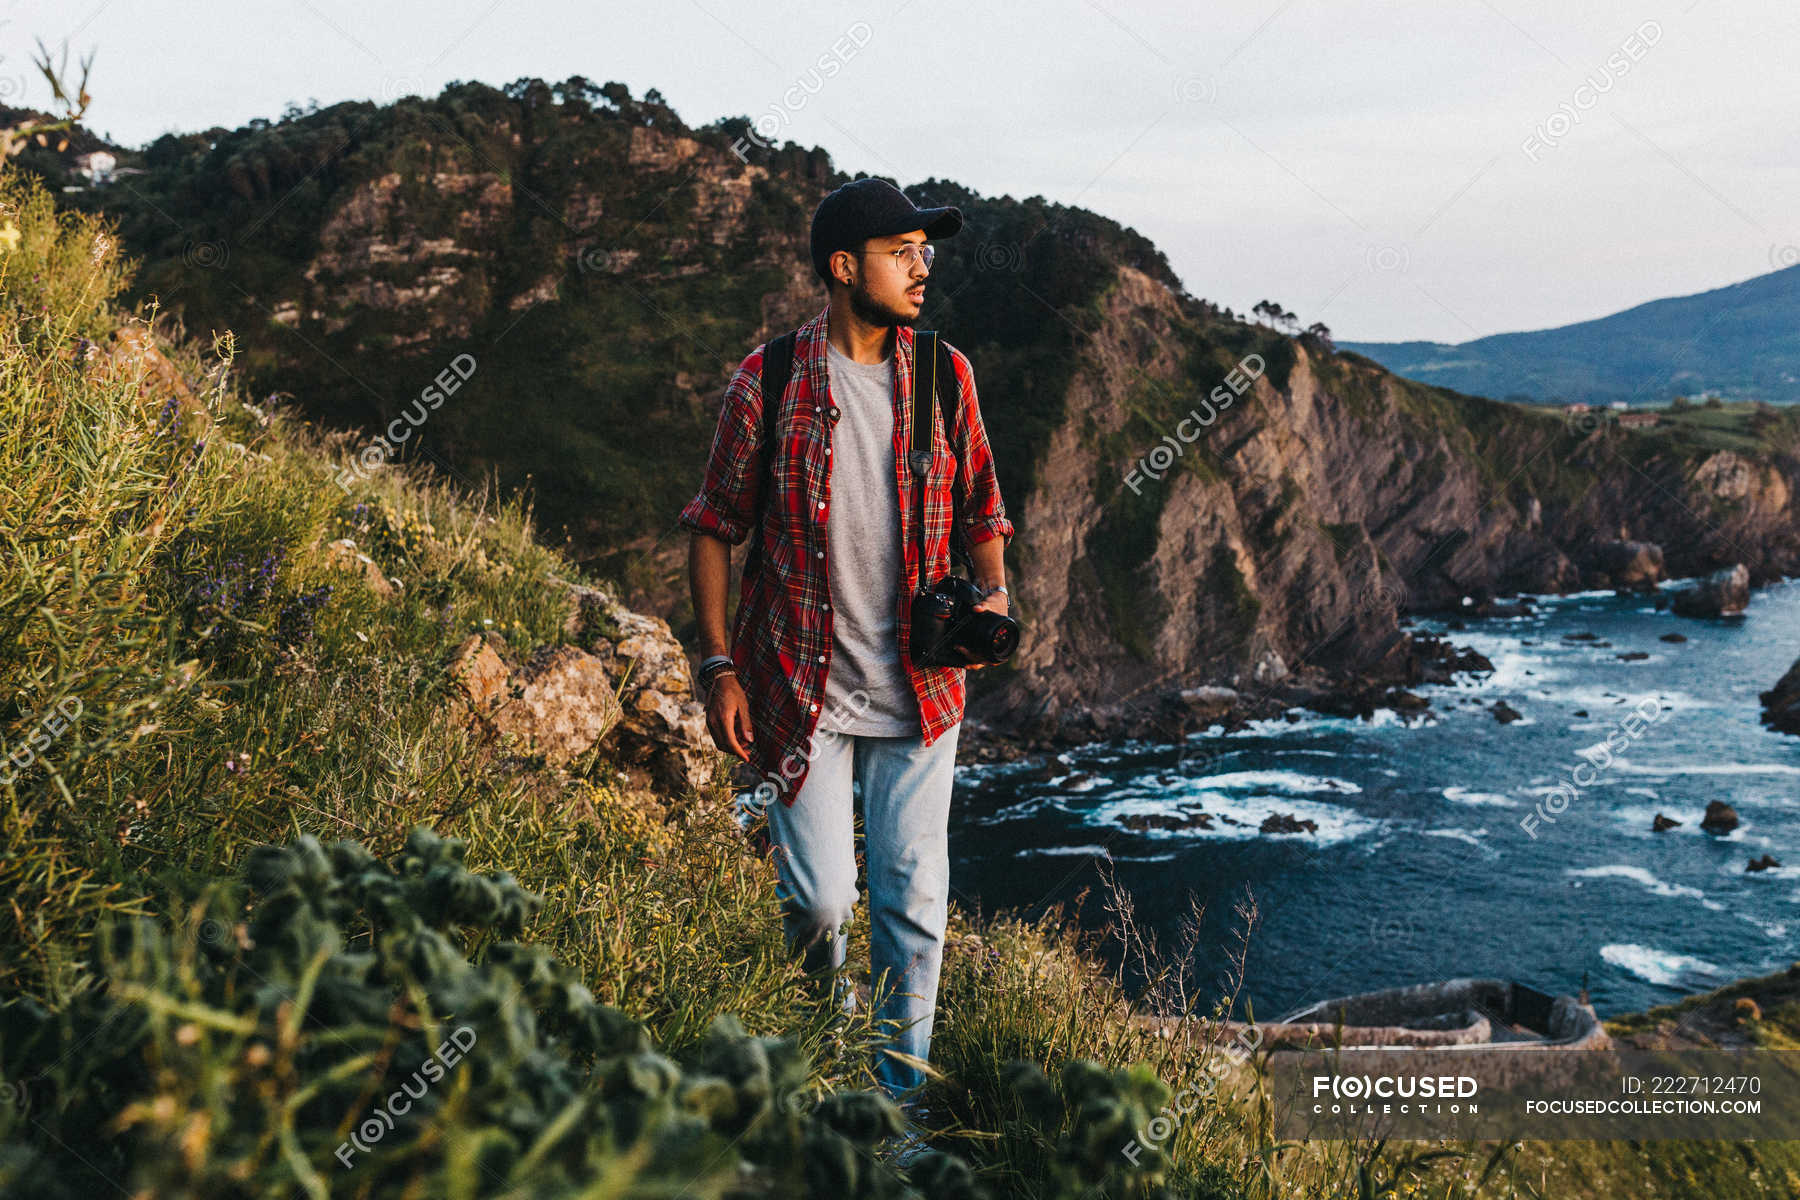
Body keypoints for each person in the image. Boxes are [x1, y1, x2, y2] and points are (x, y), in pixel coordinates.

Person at [678, 176, 1014, 1108]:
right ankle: (831, 1067)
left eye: (927, 252)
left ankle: (896, 1110)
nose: (922, 268)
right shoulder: (769, 381)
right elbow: (711, 525)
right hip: (796, 685)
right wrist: (716, 668)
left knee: (913, 909)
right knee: (822, 905)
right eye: (902, 252)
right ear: (841, 267)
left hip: (923, 685)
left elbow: (985, 506)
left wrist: (992, 594)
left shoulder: (948, 374)